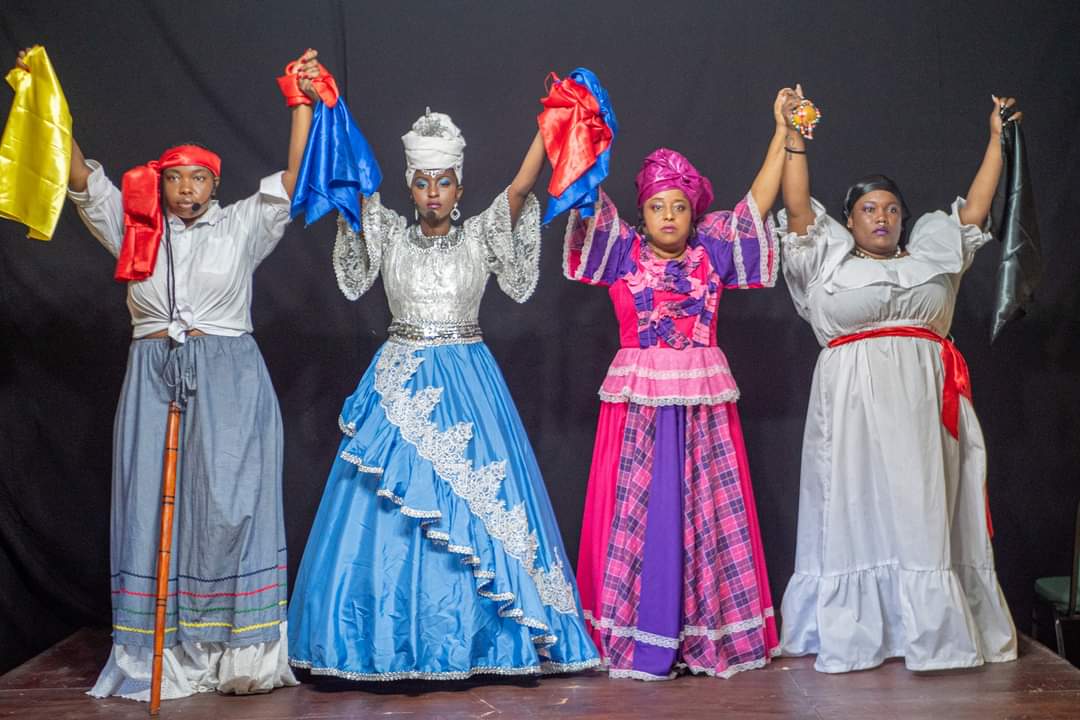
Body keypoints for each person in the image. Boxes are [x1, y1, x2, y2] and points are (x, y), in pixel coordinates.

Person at [13, 47, 323, 700]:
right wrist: (47, 93)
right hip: (154, 373)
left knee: (228, 508)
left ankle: (239, 651)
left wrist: (300, 104)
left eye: (198, 179)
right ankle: (162, 650)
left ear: (215, 186)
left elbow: (294, 182)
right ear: (162, 183)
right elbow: (78, 179)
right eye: (176, 177)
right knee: (155, 507)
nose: (186, 189)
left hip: (230, 376)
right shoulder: (135, 231)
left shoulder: (239, 228)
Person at [286, 108, 600, 680]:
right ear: (410, 186)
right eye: (423, 182)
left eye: (444, 181)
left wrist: (551, 121)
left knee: (480, 509)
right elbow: (343, 174)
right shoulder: (384, 231)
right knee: (390, 508)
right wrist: (318, 104)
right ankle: (383, 643)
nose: (433, 193)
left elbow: (523, 185)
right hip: (401, 379)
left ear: (459, 185)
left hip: (467, 383)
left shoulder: (481, 233)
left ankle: (484, 642)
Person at [776, 95, 1021, 673]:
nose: (881, 216)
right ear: (850, 218)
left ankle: (930, 631)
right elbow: (795, 209)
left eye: (890, 208)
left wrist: (997, 140)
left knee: (921, 504)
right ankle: (856, 629)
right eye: (867, 208)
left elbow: (978, 210)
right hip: (852, 403)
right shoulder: (828, 258)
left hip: (922, 401)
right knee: (854, 504)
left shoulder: (933, 253)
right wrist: (794, 136)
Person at [566, 89, 802, 680]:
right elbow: (586, 191)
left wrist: (781, 132)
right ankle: (641, 630)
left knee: (707, 512)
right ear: (641, 214)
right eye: (656, 207)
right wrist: (580, 128)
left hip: (701, 407)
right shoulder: (622, 252)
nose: (668, 216)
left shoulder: (712, 251)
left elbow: (758, 202)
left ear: (692, 212)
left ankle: (705, 629)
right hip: (639, 407)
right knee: (639, 514)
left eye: (678, 206)